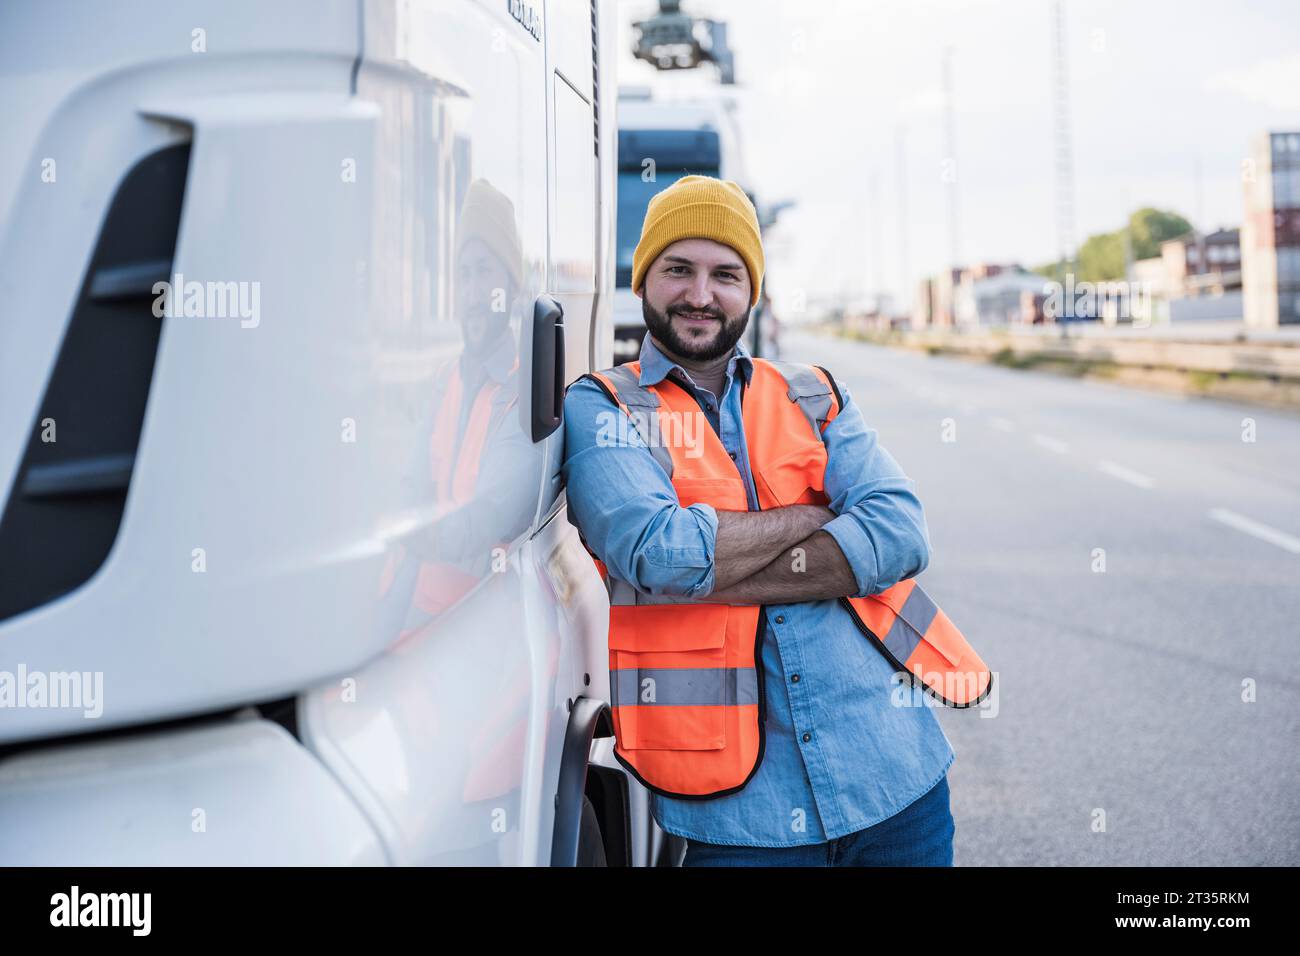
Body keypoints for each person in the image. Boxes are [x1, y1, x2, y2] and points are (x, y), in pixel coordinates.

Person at [561, 174, 958, 866]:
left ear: (753, 290)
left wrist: (716, 563)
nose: (701, 294)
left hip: (896, 780)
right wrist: (815, 515)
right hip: (742, 818)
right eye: (678, 269)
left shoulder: (813, 392)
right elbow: (660, 556)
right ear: (643, 279)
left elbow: (901, 533)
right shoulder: (603, 408)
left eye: (726, 274)